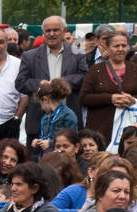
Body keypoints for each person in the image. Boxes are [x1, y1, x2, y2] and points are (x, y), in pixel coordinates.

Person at [16, 16, 86, 145]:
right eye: (48, 31)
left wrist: (61, 83)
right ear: (43, 32)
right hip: (38, 121)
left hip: (68, 121)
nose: (51, 34)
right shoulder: (30, 56)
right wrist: (39, 84)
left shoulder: (78, 53)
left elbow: (84, 78)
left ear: (64, 31)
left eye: (56, 30)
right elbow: (20, 83)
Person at [79, 29, 137, 146]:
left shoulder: (135, 69)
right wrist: (110, 99)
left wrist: (133, 100)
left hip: (128, 132)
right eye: (116, 46)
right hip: (101, 130)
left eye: (124, 45)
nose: (121, 49)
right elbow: (84, 98)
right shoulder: (96, 70)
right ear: (107, 47)